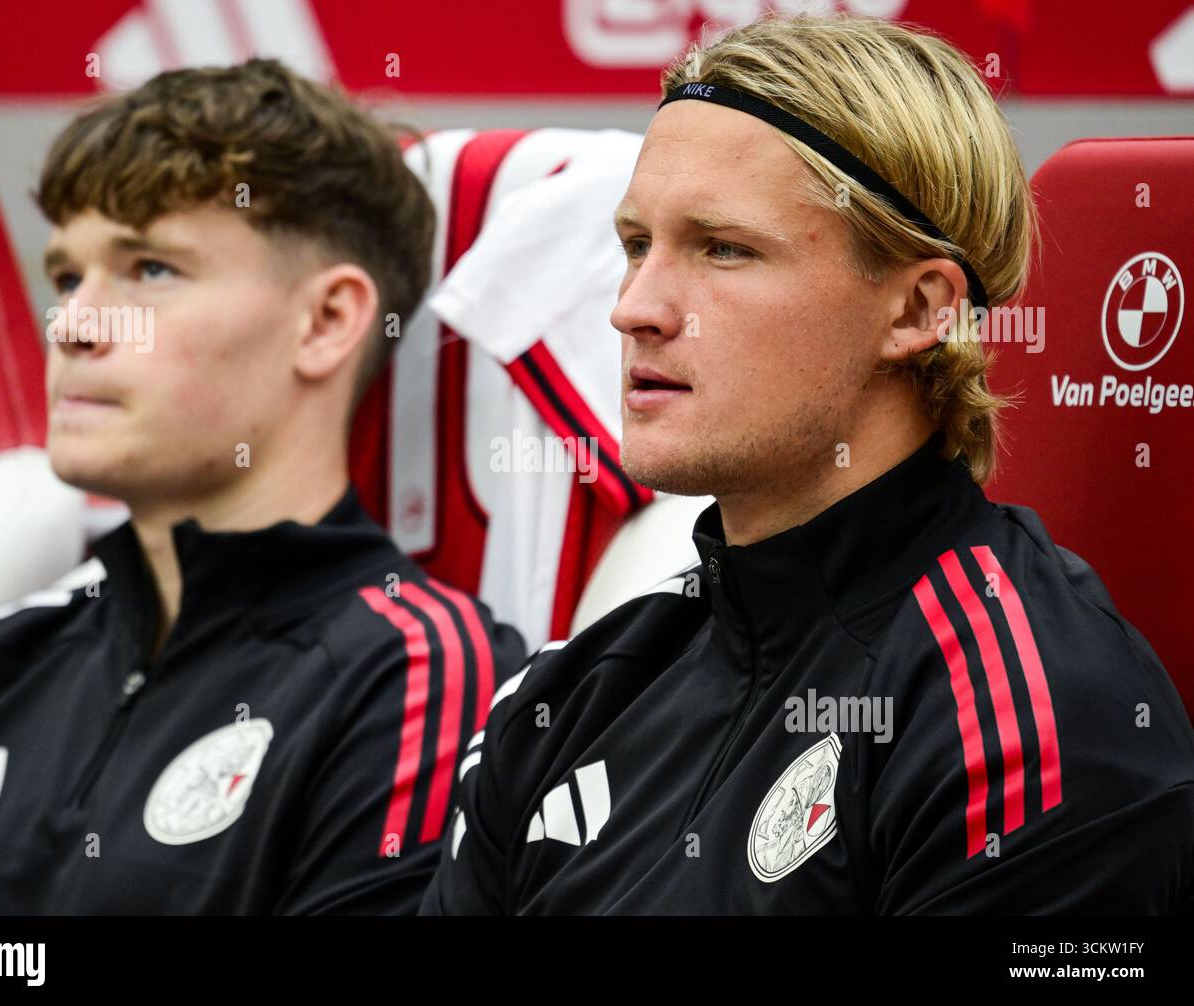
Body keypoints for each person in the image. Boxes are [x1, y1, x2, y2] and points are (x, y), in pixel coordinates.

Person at [420, 14, 1194, 914]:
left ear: (915, 310)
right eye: (636, 245)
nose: (633, 308)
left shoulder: (1035, 726)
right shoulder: (568, 694)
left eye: (724, 248)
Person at [0, 58, 524, 914]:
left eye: (150, 269)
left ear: (328, 321)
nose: (74, 324)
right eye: (68, 277)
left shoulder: (423, 676)